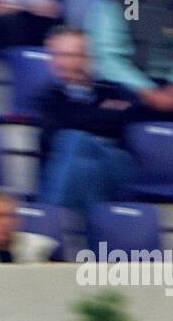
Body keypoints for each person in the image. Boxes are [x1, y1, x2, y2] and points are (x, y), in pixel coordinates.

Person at [36, 26, 137, 215]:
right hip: (77, 169)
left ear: (89, 58)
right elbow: (50, 136)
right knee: (77, 148)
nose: (63, 62)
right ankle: (95, 231)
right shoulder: (47, 97)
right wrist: (99, 114)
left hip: (113, 168)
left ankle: (49, 217)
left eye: (71, 55)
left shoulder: (114, 90)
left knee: (74, 140)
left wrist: (76, 117)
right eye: (57, 55)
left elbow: (128, 115)